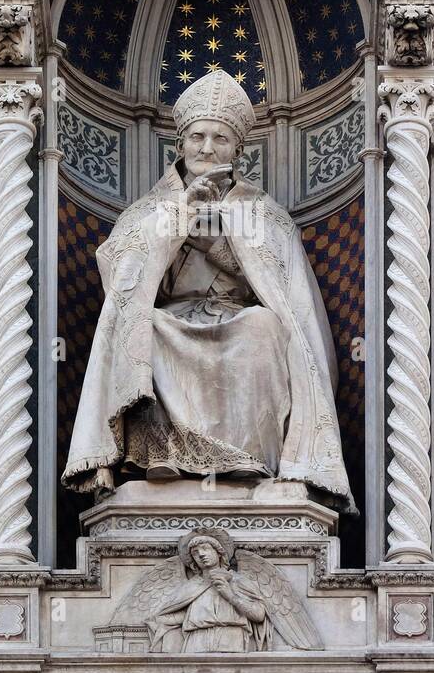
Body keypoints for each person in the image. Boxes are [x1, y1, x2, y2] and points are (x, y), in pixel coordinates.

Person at [62, 69, 355, 511]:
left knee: (264, 327)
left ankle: (250, 462)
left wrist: (216, 242)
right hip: (171, 318)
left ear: (237, 149)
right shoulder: (149, 210)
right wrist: (181, 218)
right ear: (179, 143)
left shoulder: (263, 212)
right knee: (144, 326)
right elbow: (121, 280)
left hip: (237, 316)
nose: (207, 147)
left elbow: (286, 296)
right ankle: (162, 457)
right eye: (198, 136)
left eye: (220, 139)